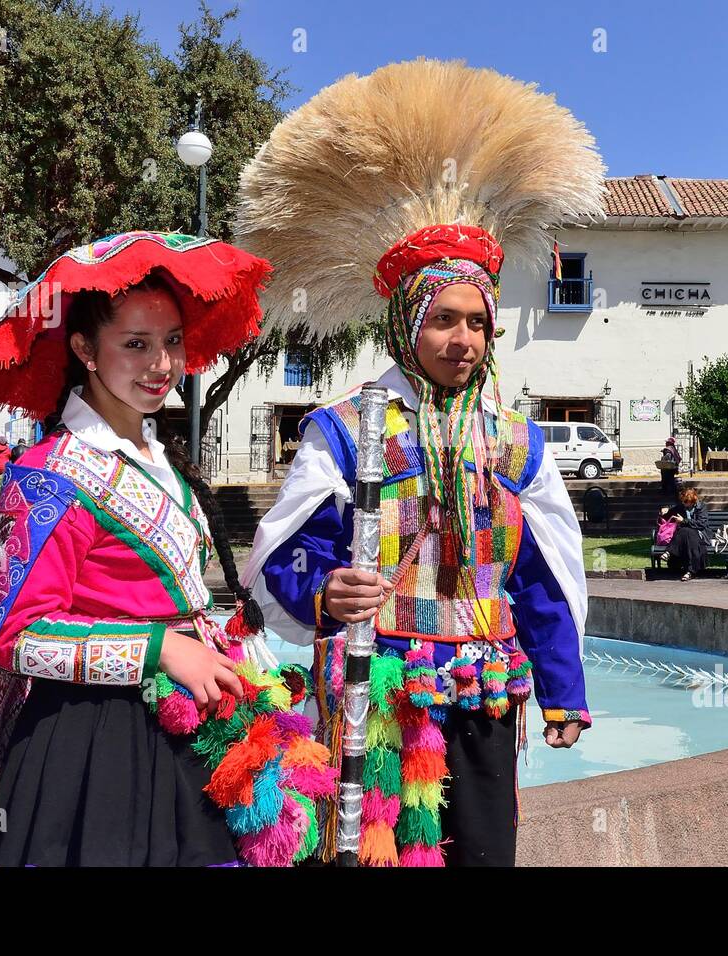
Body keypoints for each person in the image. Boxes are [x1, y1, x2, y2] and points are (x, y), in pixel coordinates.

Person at [237, 59, 605, 867]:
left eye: (477, 321)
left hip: (482, 692)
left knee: (481, 852)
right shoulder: (343, 429)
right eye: (444, 319)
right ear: (408, 320)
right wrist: (325, 589)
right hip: (377, 687)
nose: (464, 339)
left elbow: (543, 577)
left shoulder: (519, 441)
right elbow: (285, 552)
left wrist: (563, 690)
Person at [0, 229, 328, 867]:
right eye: (135, 344)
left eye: (172, 341)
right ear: (84, 350)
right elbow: (17, 637)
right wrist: (158, 648)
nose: (161, 364)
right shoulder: (52, 476)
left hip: (191, 726)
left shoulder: (161, 460)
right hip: (97, 743)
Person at [663, 486, 711, 581]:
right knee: (686, 532)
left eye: (686, 501)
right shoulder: (681, 507)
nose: (683, 503)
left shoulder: (701, 507)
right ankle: (690, 572)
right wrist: (663, 510)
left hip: (700, 534)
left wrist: (684, 521)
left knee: (685, 530)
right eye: (682, 501)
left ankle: (669, 551)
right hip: (685, 538)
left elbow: (701, 524)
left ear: (692, 501)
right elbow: (668, 515)